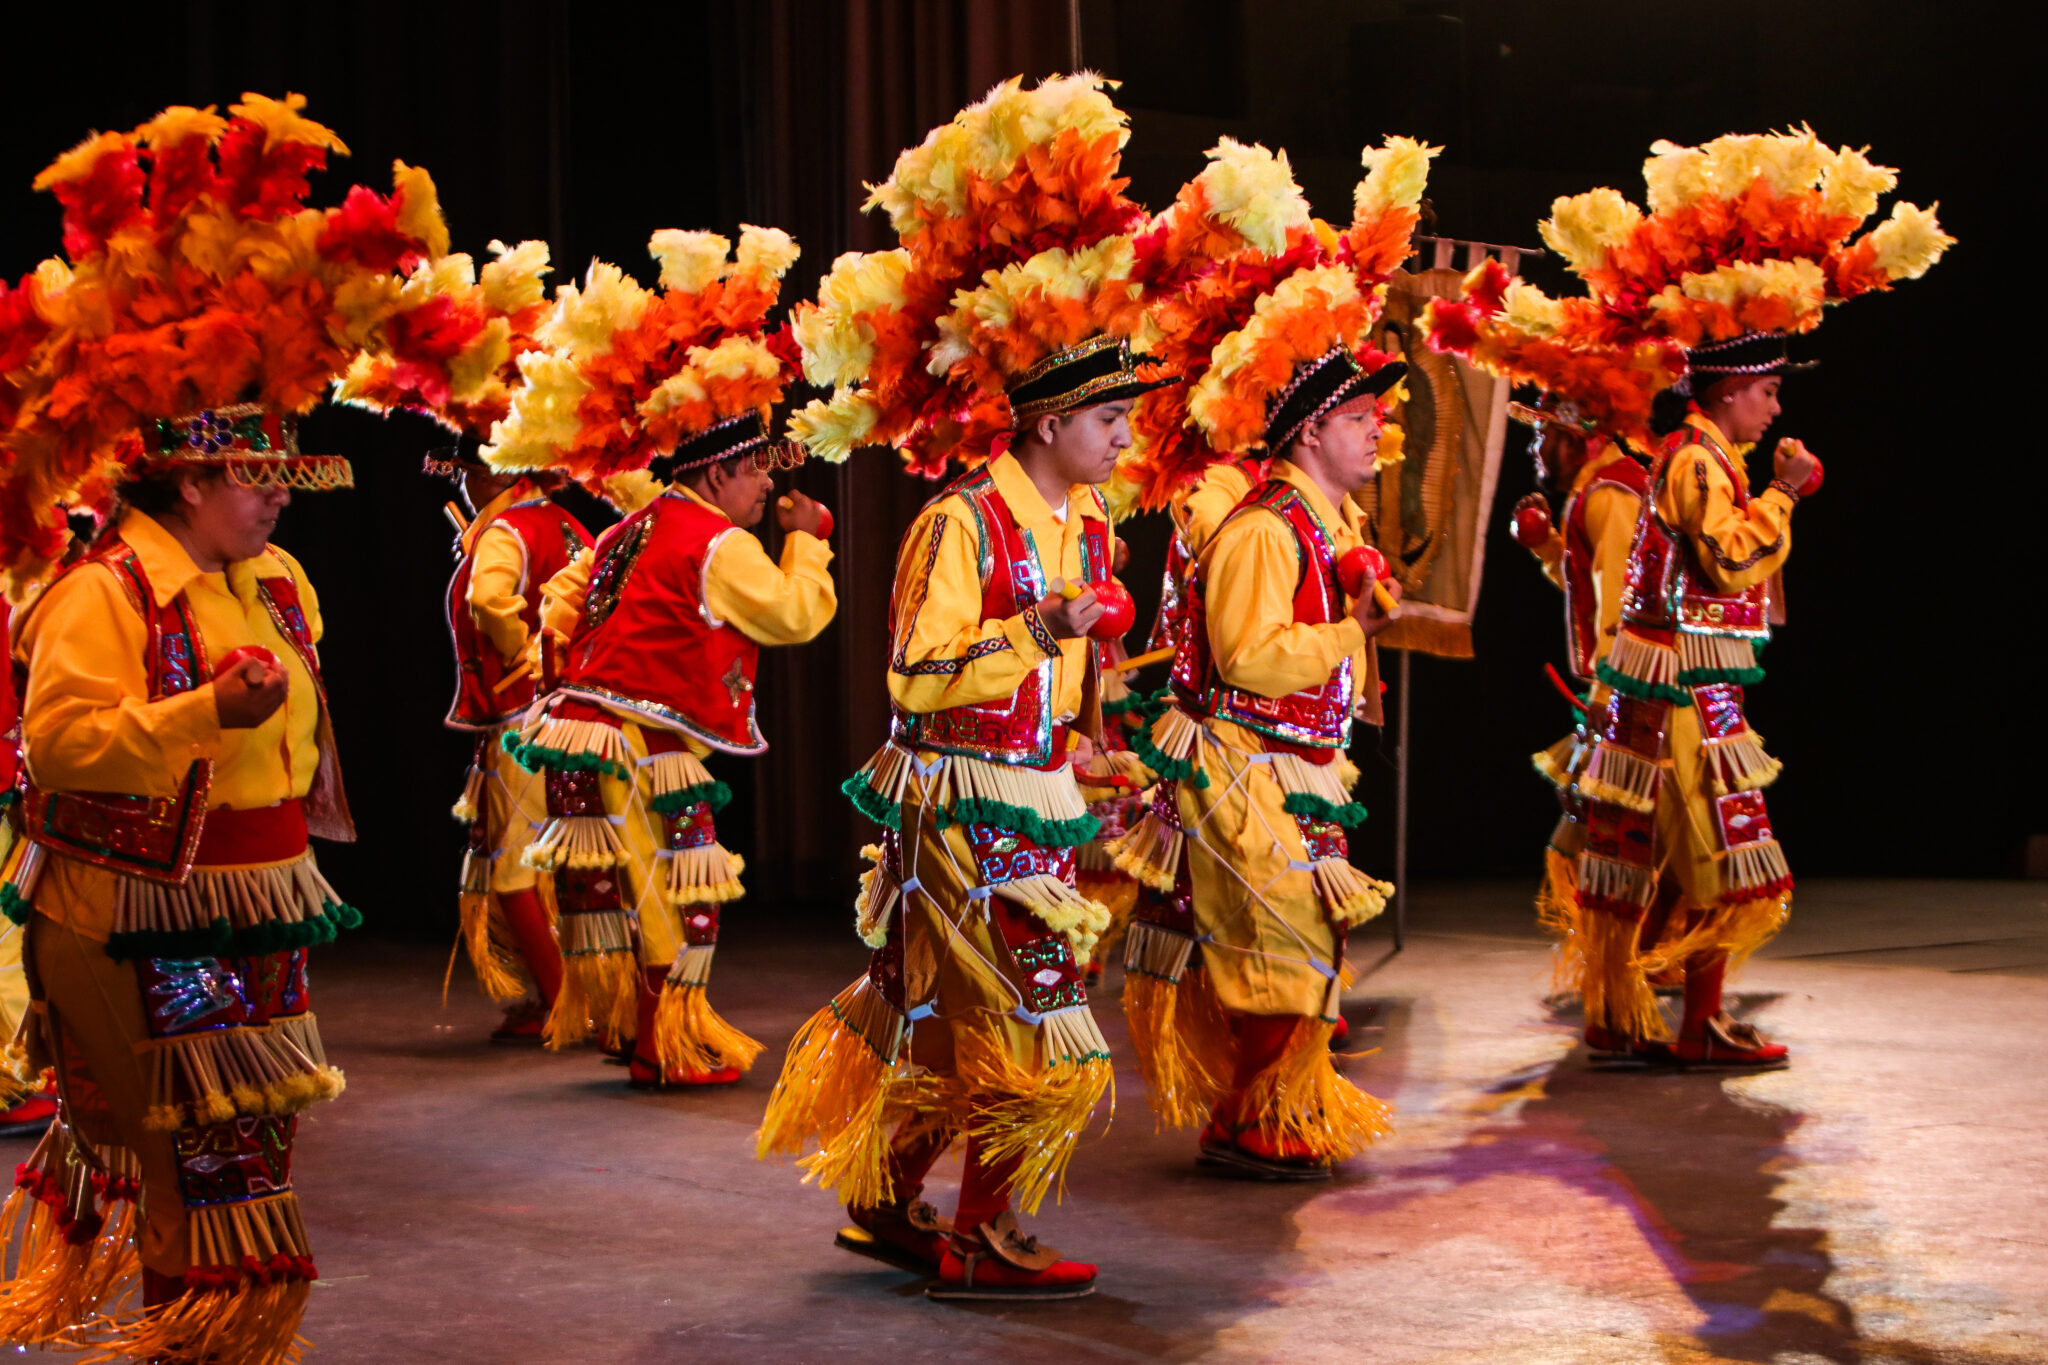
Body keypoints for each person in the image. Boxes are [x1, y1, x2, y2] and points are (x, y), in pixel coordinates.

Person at [757, 75, 1294, 1301]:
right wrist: (1033, 627)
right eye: (1108, 416)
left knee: (967, 1024)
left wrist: (1100, 744)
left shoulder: (1090, 528)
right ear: (1047, 422)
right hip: (956, 803)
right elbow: (916, 675)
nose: (1124, 436)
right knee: (1025, 1023)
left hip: (1038, 795)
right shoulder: (960, 527)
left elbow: (1087, 673)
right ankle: (978, 1234)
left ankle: (886, 1202)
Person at [0, 94, 445, 1361]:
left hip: (258, 898)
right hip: (133, 909)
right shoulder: (104, 592)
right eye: (255, 482)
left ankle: (214, 1338)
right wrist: (203, 709)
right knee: (186, 1147)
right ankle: (187, 1338)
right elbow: (65, 748)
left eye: (282, 481)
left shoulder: (279, 588)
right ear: (187, 481)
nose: (274, 506)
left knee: (242, 1139)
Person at [1431, 129, 1952, 1066]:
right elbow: (1730, 560)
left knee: (1646, 854)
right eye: (1767, 392)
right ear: (1733, 390)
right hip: (1673, 684)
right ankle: (1689, 1021)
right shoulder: (1695, 466)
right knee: (1722, 858)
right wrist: (1789, 493)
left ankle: (1621, 1013)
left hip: (1657, 679)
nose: (1776, 410)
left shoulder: (1674, 463)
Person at [1111, 139, 1436, 1170]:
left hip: (1288, 767)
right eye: (1357, 417)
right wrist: (1356, 631)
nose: (1376, 429)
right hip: (1243, 764)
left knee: (1295, 954)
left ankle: (1260, 1116)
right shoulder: (1260, 530)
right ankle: (1248, 1121)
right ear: (1306, 438)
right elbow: (1250, 660)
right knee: (1276, 955)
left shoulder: (1317, 527)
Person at [489, 226, 834, 1089]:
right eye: (758, 471)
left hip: (590, 736)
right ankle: (660, 1041)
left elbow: (563, 603)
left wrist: (561, 685)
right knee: (674, 896)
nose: (767, 488)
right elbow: (795, 618)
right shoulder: (717, 542)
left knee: (633, 890)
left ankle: (640, 1028)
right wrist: (809, 544)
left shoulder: (633, 525)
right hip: (637, 743)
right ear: (720, 474)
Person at [433, 452, 588, 1039]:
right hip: (569, 708)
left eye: (467, 474)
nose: (465, 487)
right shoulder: (566, 523)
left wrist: (523, 651)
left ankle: (563, 1003)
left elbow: (489, 600)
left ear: (492, 474)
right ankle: (577, 992)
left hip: (522, 714)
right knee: (569, 854)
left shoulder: (507, 529)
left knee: (513, 864)